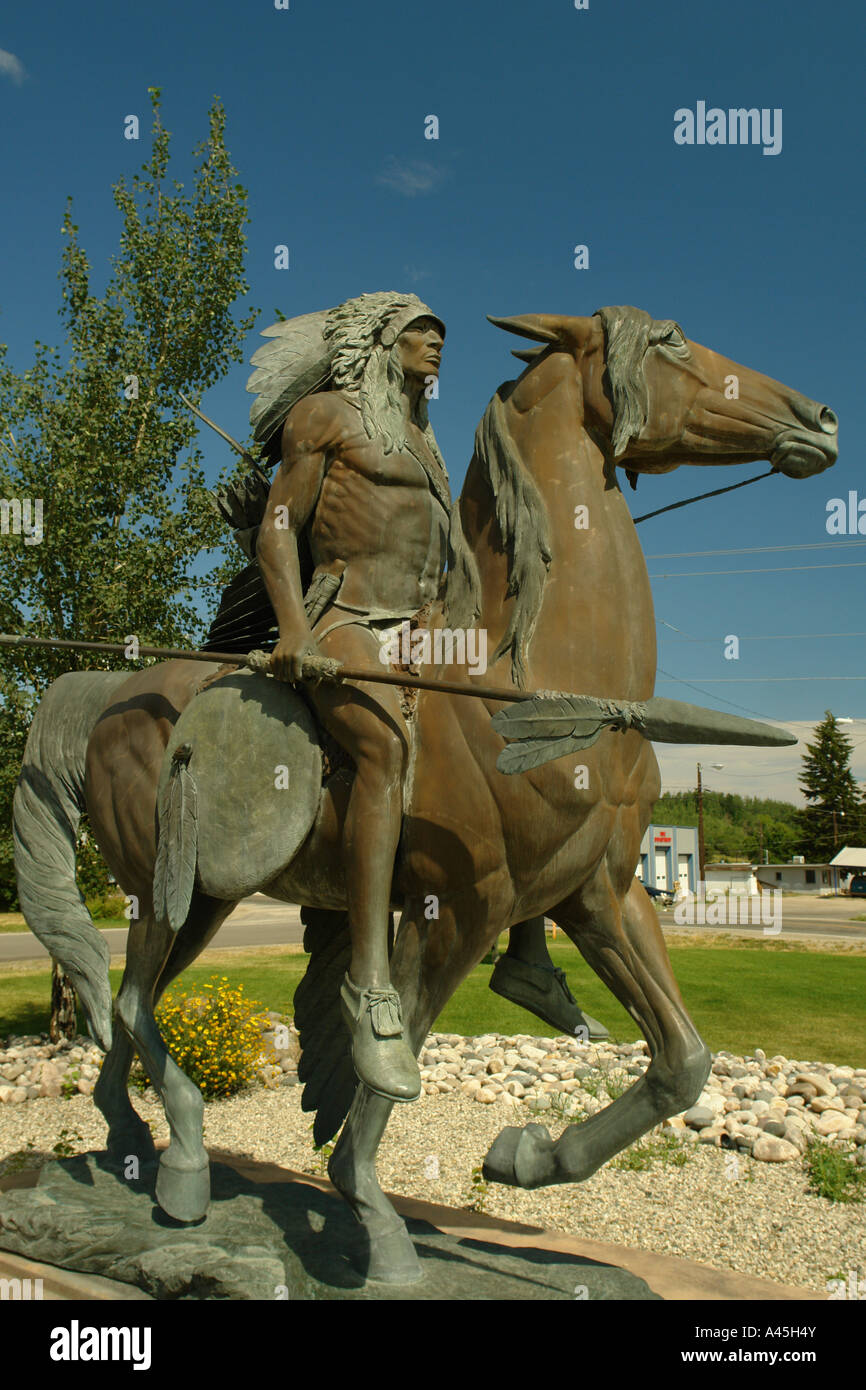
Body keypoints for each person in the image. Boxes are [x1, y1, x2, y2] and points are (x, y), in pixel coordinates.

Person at [255, 292, 605, 1104]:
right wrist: (291, 631)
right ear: (383, 337)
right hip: (344, 618)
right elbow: (278, 525)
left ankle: (529, 954)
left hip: (421, 635)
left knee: (511, 737)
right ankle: (372, 978)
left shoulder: (423, 442)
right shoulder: (326, 416)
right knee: (384, 748)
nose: (436, 343)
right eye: (420, 331)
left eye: (441, 333)